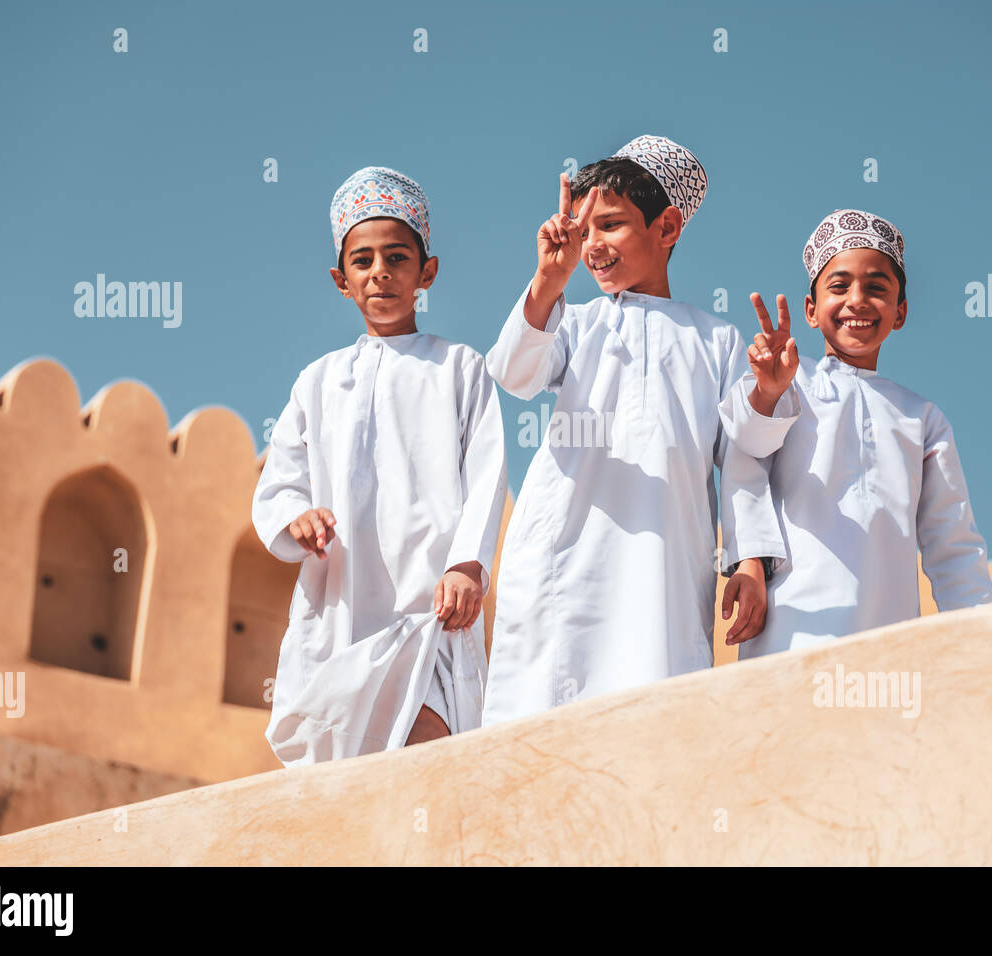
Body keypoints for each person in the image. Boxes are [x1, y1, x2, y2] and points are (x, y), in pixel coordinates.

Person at [482, 135, 785, 725]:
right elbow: (515, 372)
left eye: (612, 226)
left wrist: (748, 561)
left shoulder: (715, 339)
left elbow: (746, 455)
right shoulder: (576, 322)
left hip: (666, 565)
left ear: (667, 227)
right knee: (544, 724)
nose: (592, 246)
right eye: (584, 229)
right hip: (565, 552)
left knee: (654, 719)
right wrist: (548, 279)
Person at [252, 166, 507, 763]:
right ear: (342, 280)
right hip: (340, 609)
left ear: (428, 272)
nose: (381, 273)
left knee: (428, 749)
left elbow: (488, 475)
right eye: (363, 261)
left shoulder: (460, 369)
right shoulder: (317, 381)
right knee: (341, 772)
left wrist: (468, 563)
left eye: (397, 257)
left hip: (430, 610)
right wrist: (297, 517)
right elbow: (280, 480)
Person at [720, 208, 992, 656]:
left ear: (900, 312)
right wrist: (747, 563)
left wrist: (986, 642)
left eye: (876, 288)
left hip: (890, 644)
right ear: (811, 310)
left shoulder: (921, 418)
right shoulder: (789, 381)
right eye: (839, 285)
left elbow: (954, 544)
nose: (858, 300)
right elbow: (745, 449)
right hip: (791, 633)